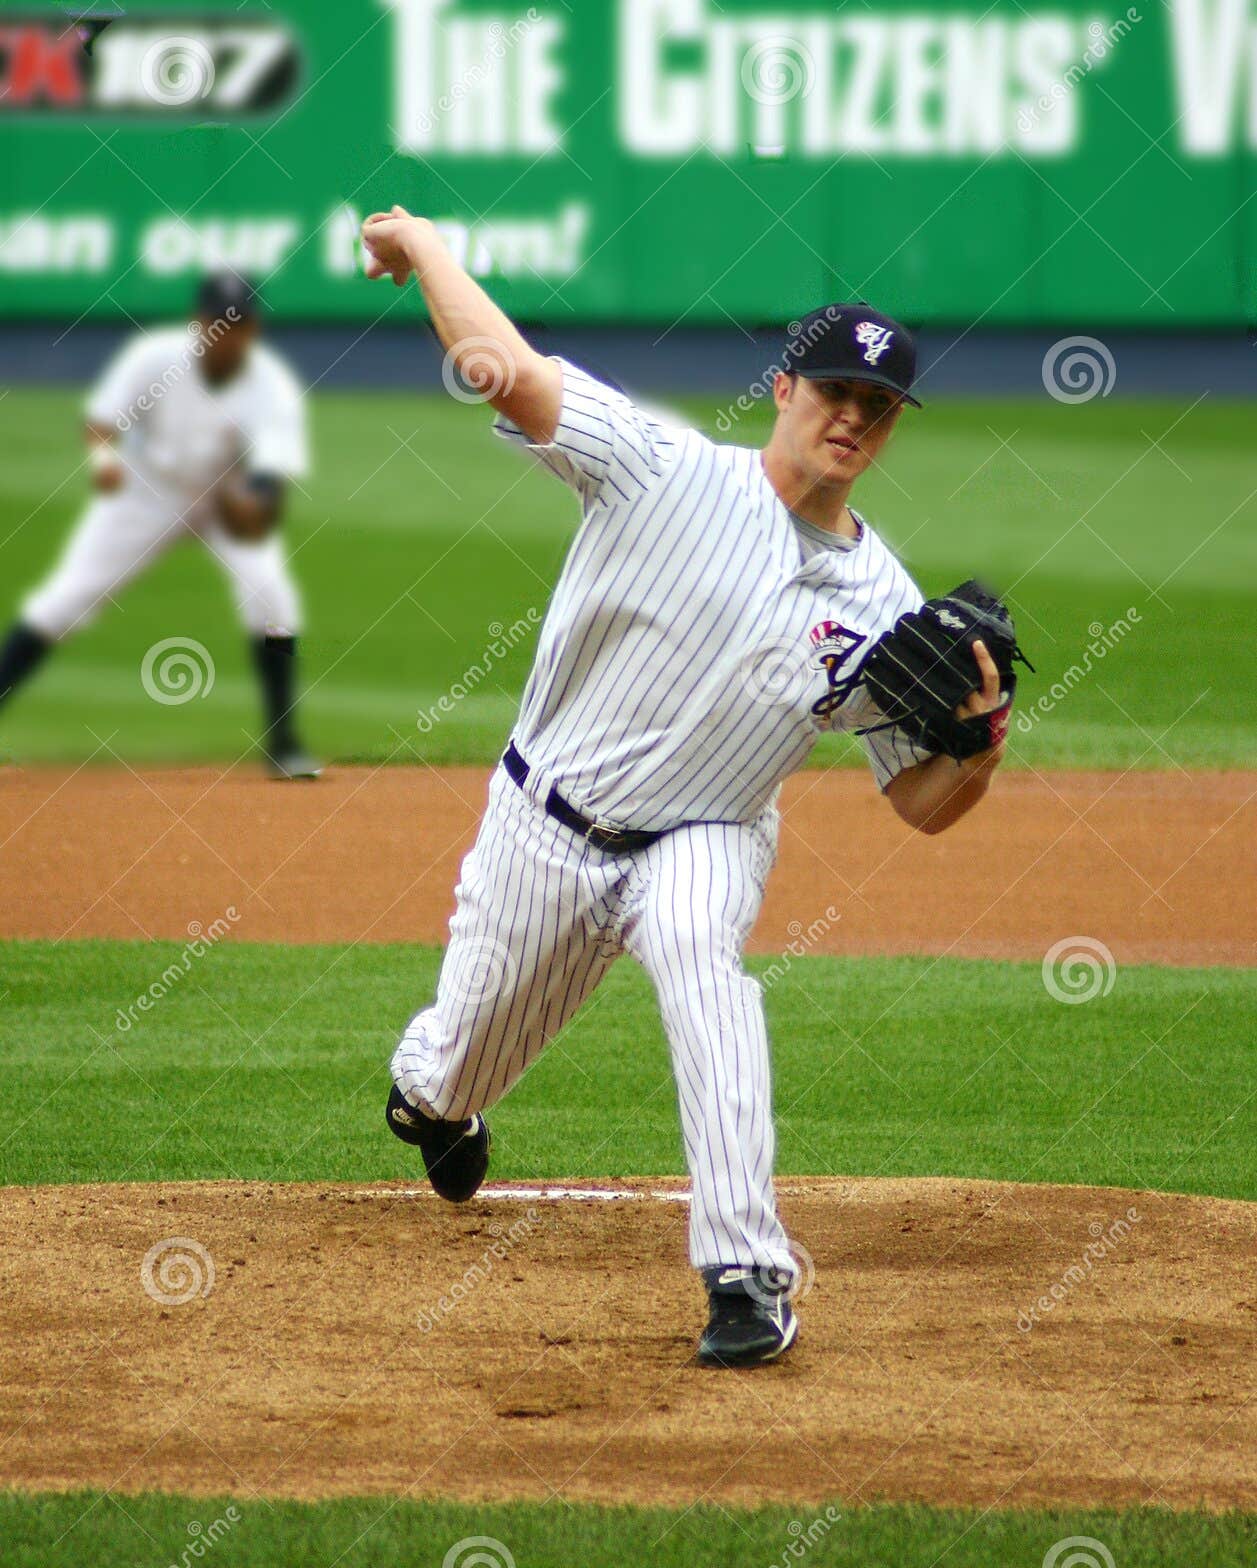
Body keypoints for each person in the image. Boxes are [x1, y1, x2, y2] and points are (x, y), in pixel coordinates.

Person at [363, 205, 1008, 1367]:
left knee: (707, 969)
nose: (852, 418)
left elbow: (917, 803)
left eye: (877, 407)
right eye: (833, 393)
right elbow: (501, 372)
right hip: (544, 827)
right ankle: (433, 1094)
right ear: (782, 389)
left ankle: (747, 1274)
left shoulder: (887, 606)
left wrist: (978, 750)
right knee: (461, 1060)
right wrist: (425, 249)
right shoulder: (660, 468)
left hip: (708, 832)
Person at [0, 273, 319, 778]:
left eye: (240, 324)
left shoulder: (271, 386)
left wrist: (248, 512)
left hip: (224, 498)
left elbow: (269, 495)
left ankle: (284, 743)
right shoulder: (156, 357)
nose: (228, 333)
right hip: (147, 492)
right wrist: (104, 460)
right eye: (219, 322)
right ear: (199, 323)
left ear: (254, 330)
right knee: (65, 597)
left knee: (273, 597)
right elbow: (102, 421)